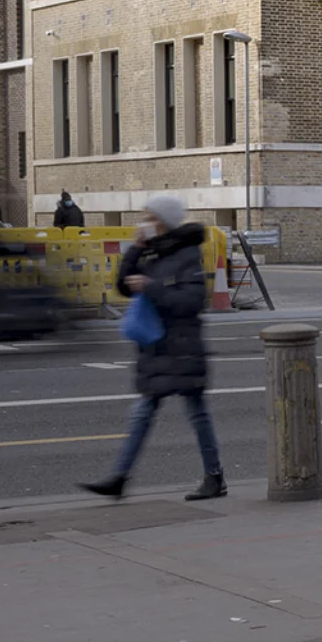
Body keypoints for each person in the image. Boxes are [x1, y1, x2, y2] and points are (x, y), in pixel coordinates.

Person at [82, 195, 224, 500]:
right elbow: (122, 285)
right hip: (158, 348)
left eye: (148, 216)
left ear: (162, 220)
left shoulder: (186, 254)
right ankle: (120, 477)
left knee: (194, 414)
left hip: (182, 347)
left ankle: (214, 477)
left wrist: (151, 287)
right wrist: (135, 249)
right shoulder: (155, 253)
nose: (143, 222)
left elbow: (191, 301)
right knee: (144, 413)